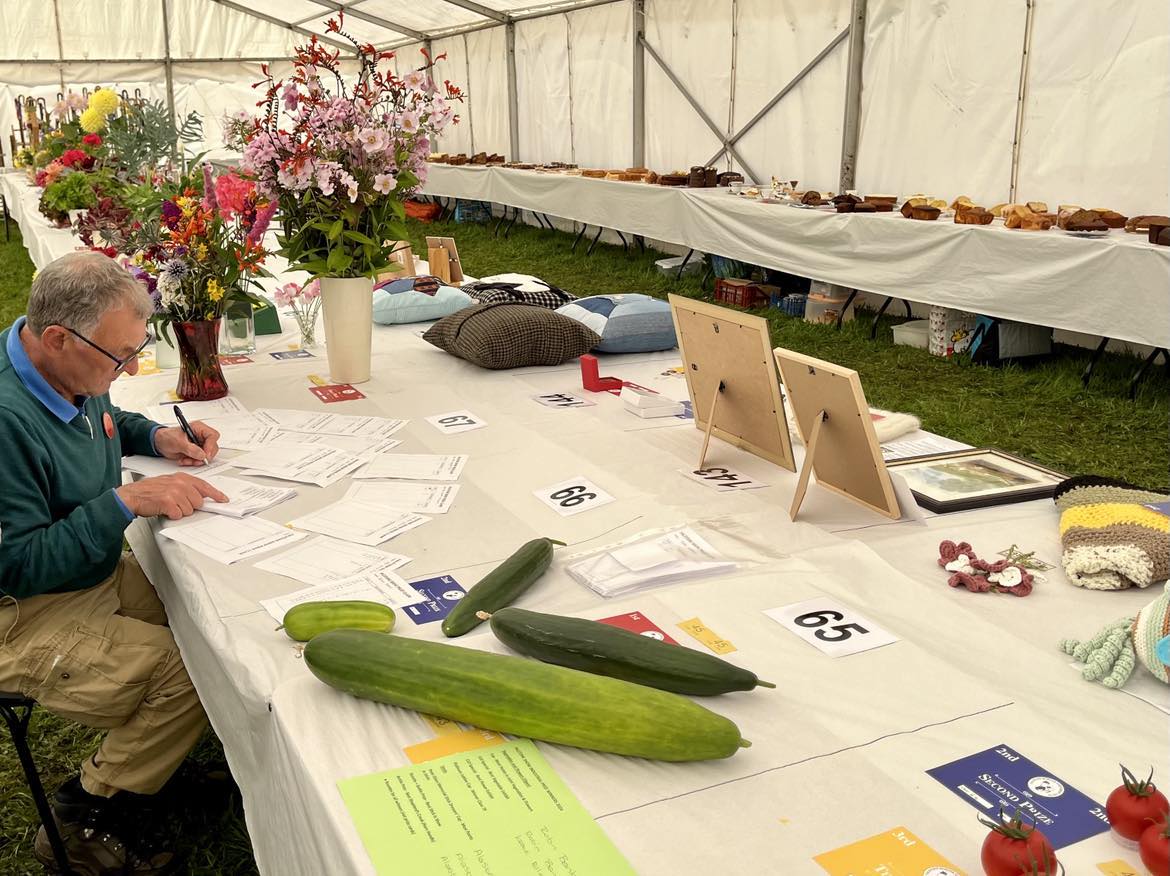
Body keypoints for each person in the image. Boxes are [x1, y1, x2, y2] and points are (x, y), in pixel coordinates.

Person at [0, 251, 229, 874]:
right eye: (120, 357)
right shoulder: (4, 420)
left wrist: (156, 436)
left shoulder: (58, 371)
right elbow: (15, 564)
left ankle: (154, 758)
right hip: (21, 607)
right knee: (186, 671)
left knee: (207, 628)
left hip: (86, 573)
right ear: (56, 337)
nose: (127, 371)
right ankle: (83, 817)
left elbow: (99, 413)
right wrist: (121, 502)